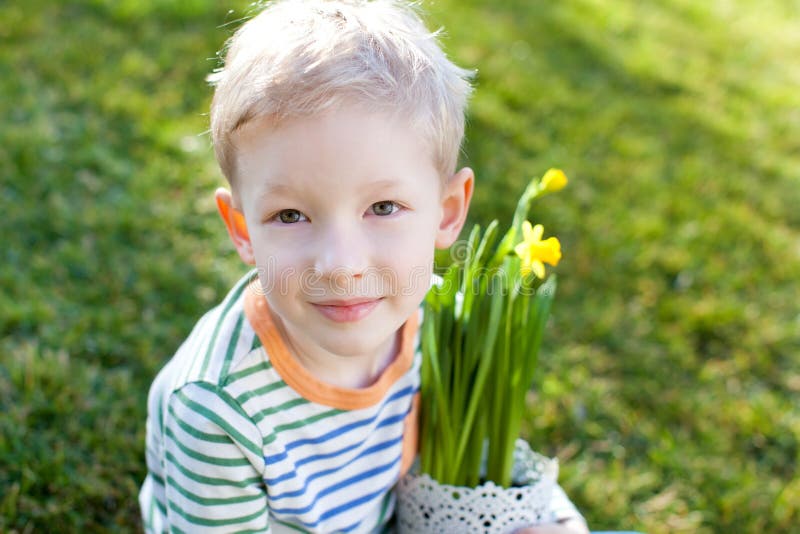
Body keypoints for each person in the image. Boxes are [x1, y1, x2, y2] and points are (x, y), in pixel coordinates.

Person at [139, 1, 588, 532]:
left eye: (382, 208)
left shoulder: (440, 319)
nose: (341, 265)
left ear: (447, 213)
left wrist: (554, 520)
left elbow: (488, 438)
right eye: (290, 215)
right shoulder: (217, 409)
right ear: (242, 230)